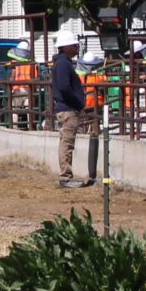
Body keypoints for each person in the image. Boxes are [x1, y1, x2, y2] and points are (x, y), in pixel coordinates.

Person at [50, 37, 93, 188]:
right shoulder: (63, 64)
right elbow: (64, 87)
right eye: (74, 45)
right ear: (66, 46)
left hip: (66, 107)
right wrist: (78, 101)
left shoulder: (62, 63)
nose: (76, 48)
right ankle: (66, 177)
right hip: (68, 108)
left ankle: (66, 176)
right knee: (67, 142)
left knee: (66, 142)